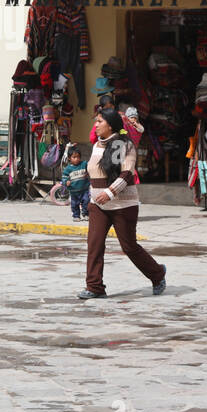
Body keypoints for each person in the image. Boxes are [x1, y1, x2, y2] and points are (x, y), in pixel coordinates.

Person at [78, 108, 166, 300]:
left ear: (110, 125)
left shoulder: (122, 145)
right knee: (94, 245)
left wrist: (109, 192)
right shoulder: (97, 145)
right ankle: (94, 287)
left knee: (129, 247)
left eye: (99, 121)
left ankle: (158, 274)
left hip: (122, 205)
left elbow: (125, 174)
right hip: (98, 205)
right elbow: (95, 171)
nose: (96, 125)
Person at [60, 145, 90, 221]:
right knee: (75, 204)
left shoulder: (84, 164)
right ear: (69, 158)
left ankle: (86, 213)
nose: (77, 159)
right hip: (74, 191)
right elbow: (64, 178)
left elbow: (90, 168)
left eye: (78, 157)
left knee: (86, 201)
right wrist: (66, 182)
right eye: (74, 157)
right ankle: (76, 216)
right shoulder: (68, 169)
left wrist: (89, 172)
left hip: (84, 189)